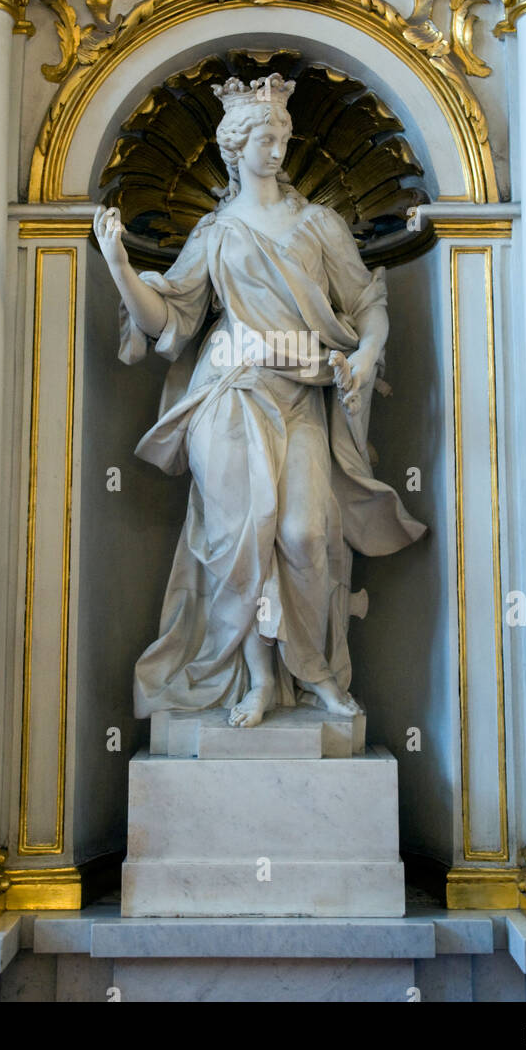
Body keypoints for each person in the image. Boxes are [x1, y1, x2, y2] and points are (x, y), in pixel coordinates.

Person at [95, 73, 426, 728]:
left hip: (300, 396)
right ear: (234, 145)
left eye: (280, 138)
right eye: (263, 138)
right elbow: (169, 322)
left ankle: (317, 673)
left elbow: (365, 303)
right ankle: (255, 680)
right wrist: (119, 267)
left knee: (305, 533)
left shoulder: (318, 224)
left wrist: (363, 353)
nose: (275, 150)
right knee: (237, 540)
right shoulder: (215, 234)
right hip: (227, 396)